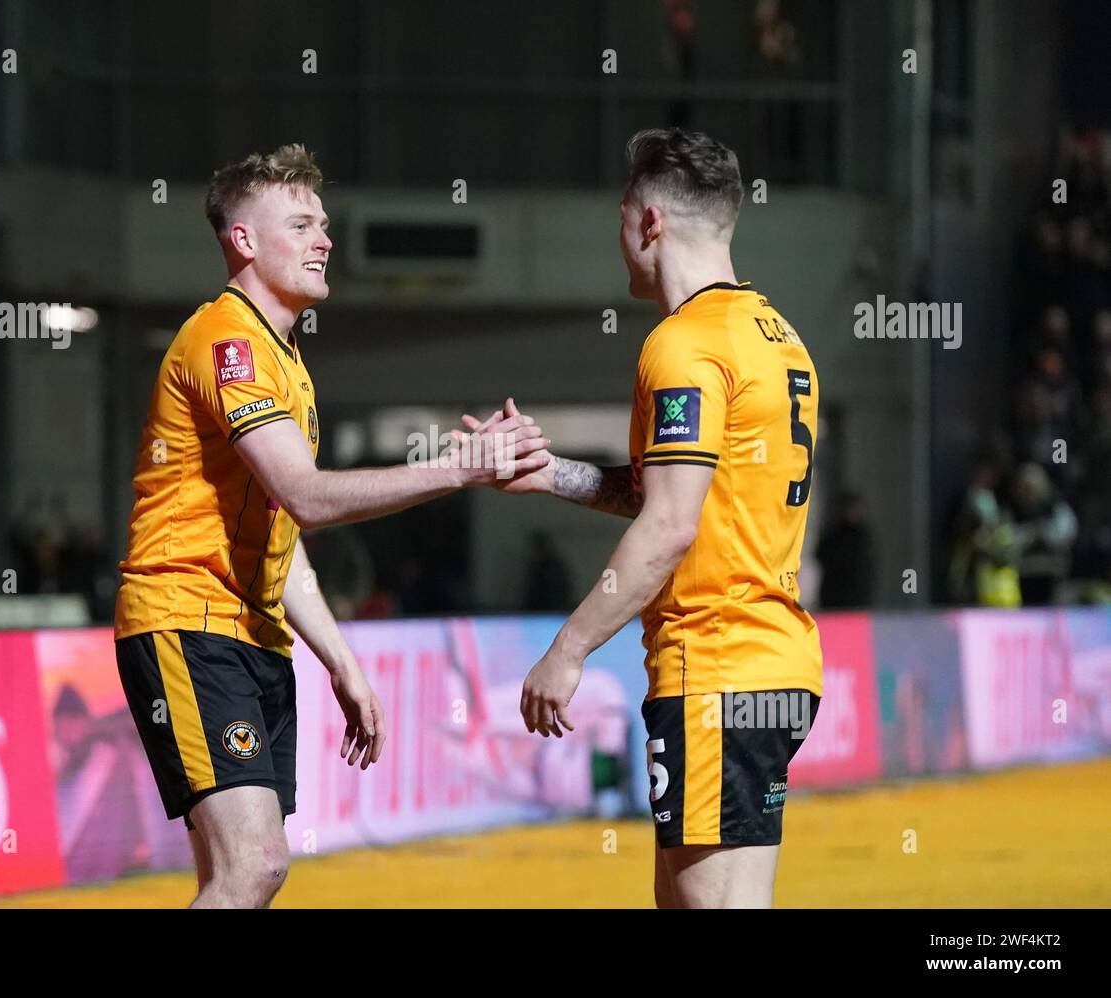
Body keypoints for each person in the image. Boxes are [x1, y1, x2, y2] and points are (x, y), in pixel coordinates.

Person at [113, 144, 548, 909]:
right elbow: (308, 496)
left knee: (229, 877)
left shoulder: (287, 359)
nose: (326, 240)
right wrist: (464, 467)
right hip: (188, 623)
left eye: (324, 224)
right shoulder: (230, 342)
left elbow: (287, 534)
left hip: (250, 638)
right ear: (242, 240)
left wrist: (340, 660)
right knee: (255, 866)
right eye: (303, 223)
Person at [464, 128, 822, 908]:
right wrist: (552, 475)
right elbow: (682, 493)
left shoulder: (683, 346)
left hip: (718, 667)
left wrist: (569, 648)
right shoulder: (777, 338)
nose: (617, 232)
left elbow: (669, 526)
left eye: (621, 212)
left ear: (650, 223)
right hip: (769, 664)